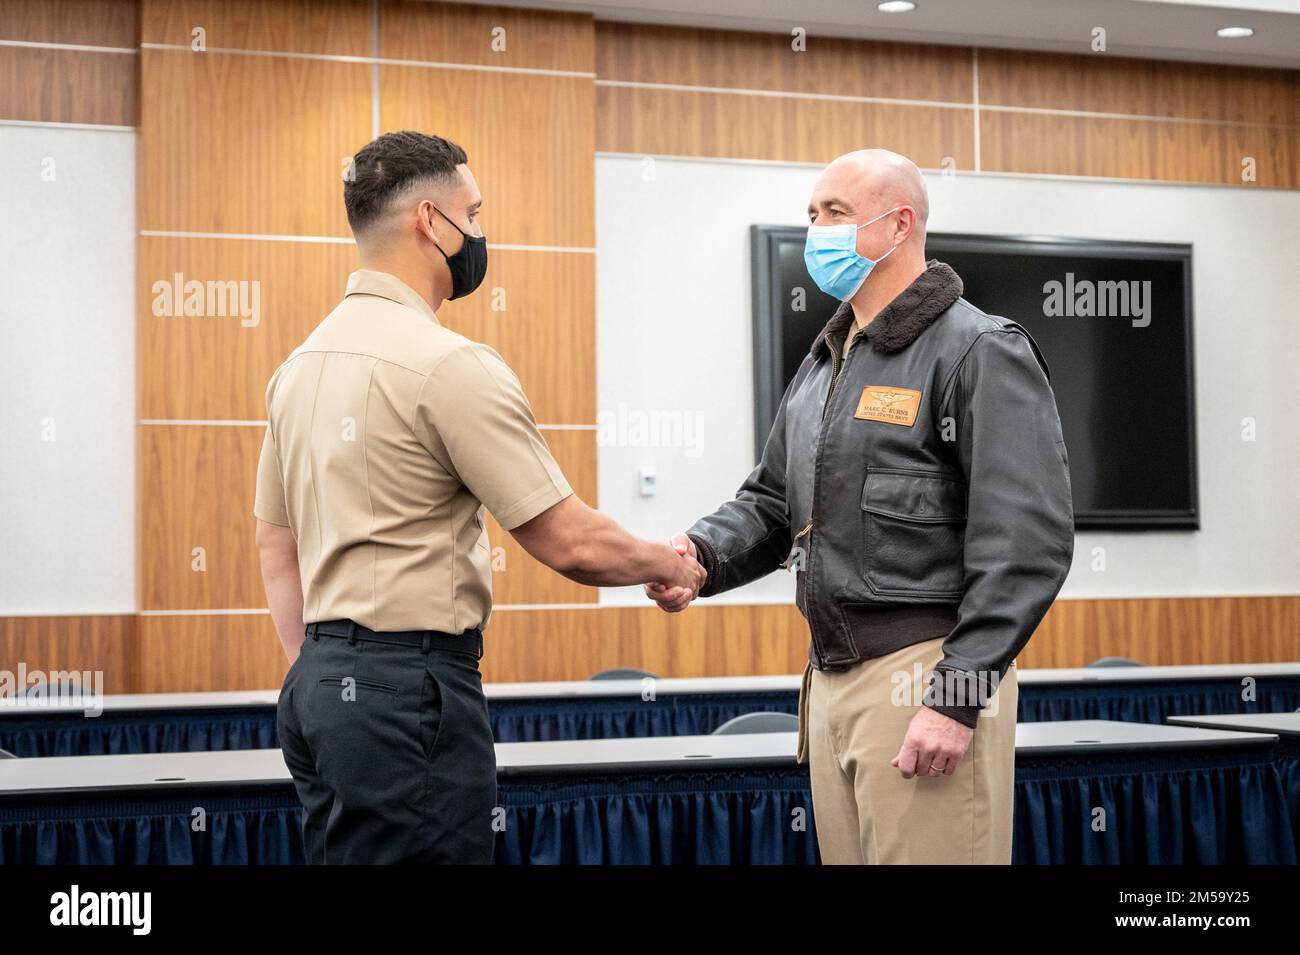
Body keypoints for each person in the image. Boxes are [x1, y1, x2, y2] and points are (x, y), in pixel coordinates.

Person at [254, 130, 705, 864]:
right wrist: (672, 563)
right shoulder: (449, 365)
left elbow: (275, 544)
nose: (480, 233)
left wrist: (324, 672)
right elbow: (569, 541)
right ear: (430, 221)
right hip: (410, 693)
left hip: (317, 692)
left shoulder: (298, 367)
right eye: (474, 213)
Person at [647, 148, 1074, 864]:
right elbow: (772, 502)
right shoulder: (825, 361)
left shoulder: (979, 349)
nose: (817, 230)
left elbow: (1026, 544)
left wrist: (957, 696)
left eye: (835, 213)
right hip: (830, 681)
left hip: (925, 677)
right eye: (812, 215)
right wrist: (698, 556)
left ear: (900, 224)